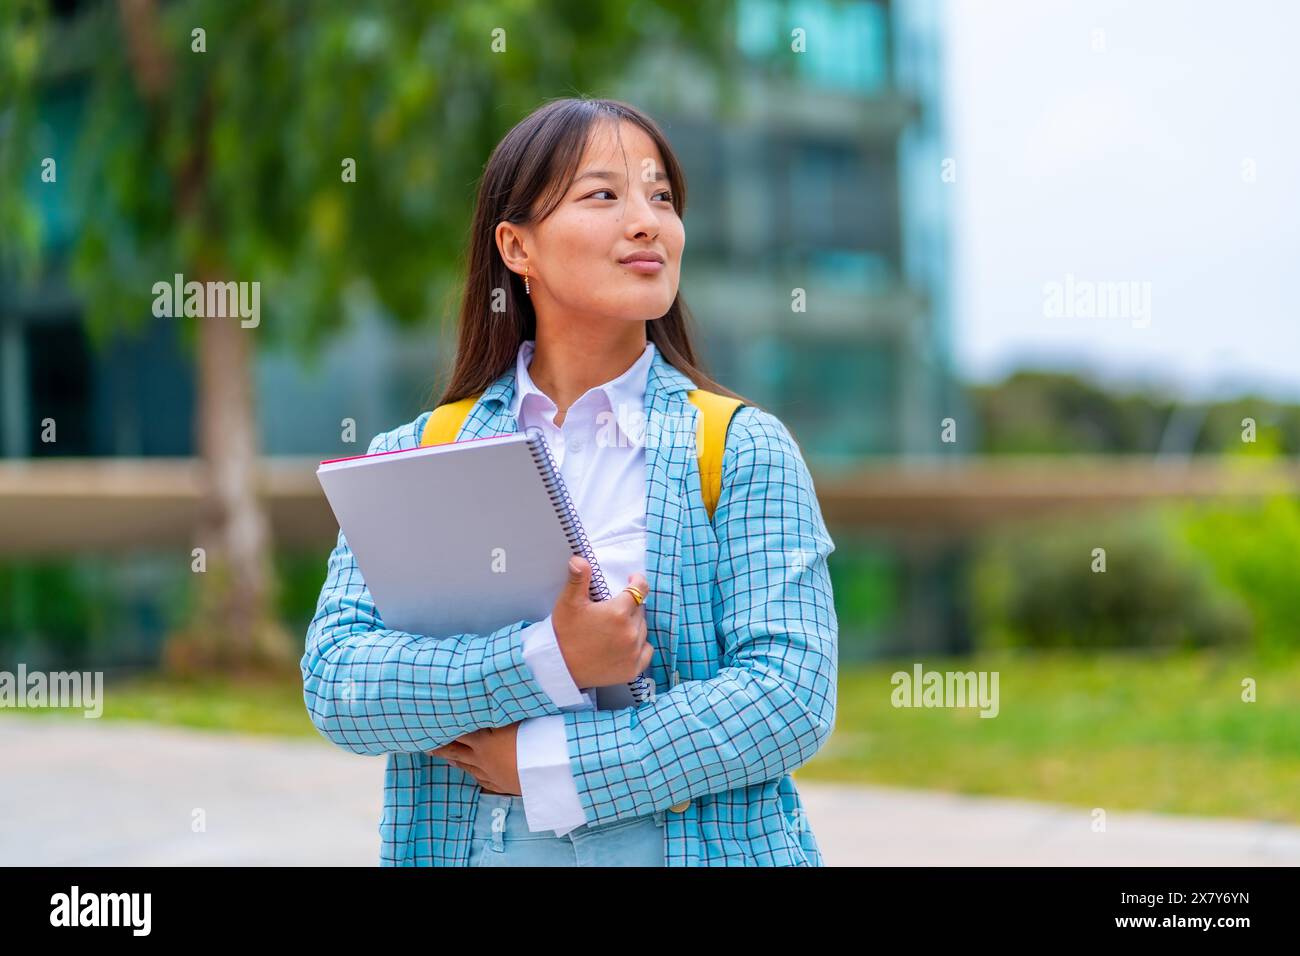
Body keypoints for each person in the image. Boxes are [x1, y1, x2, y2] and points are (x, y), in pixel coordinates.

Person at [302, 96, 838, 866]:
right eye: (604, 195)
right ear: (517, 247)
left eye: (661, 196)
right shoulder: (420, 451)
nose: (648, 221)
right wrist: (548, 658)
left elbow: (790, 698)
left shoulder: (740, 448)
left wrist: (553, 769)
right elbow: (339, 683)